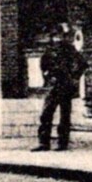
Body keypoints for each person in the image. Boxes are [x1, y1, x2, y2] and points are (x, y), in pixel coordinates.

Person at [36, 23, 85, 152]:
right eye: (54, 36)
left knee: (64, 115)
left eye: (58, 36)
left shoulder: (69, 49)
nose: (56, 39)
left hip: (65, 85)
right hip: (53, 85)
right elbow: (43, 64)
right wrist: (46, 75)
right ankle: (43, 143)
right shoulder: (50, 49)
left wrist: (74, 77)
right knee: (46, 114)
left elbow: (82, 64)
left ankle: (62, 143)